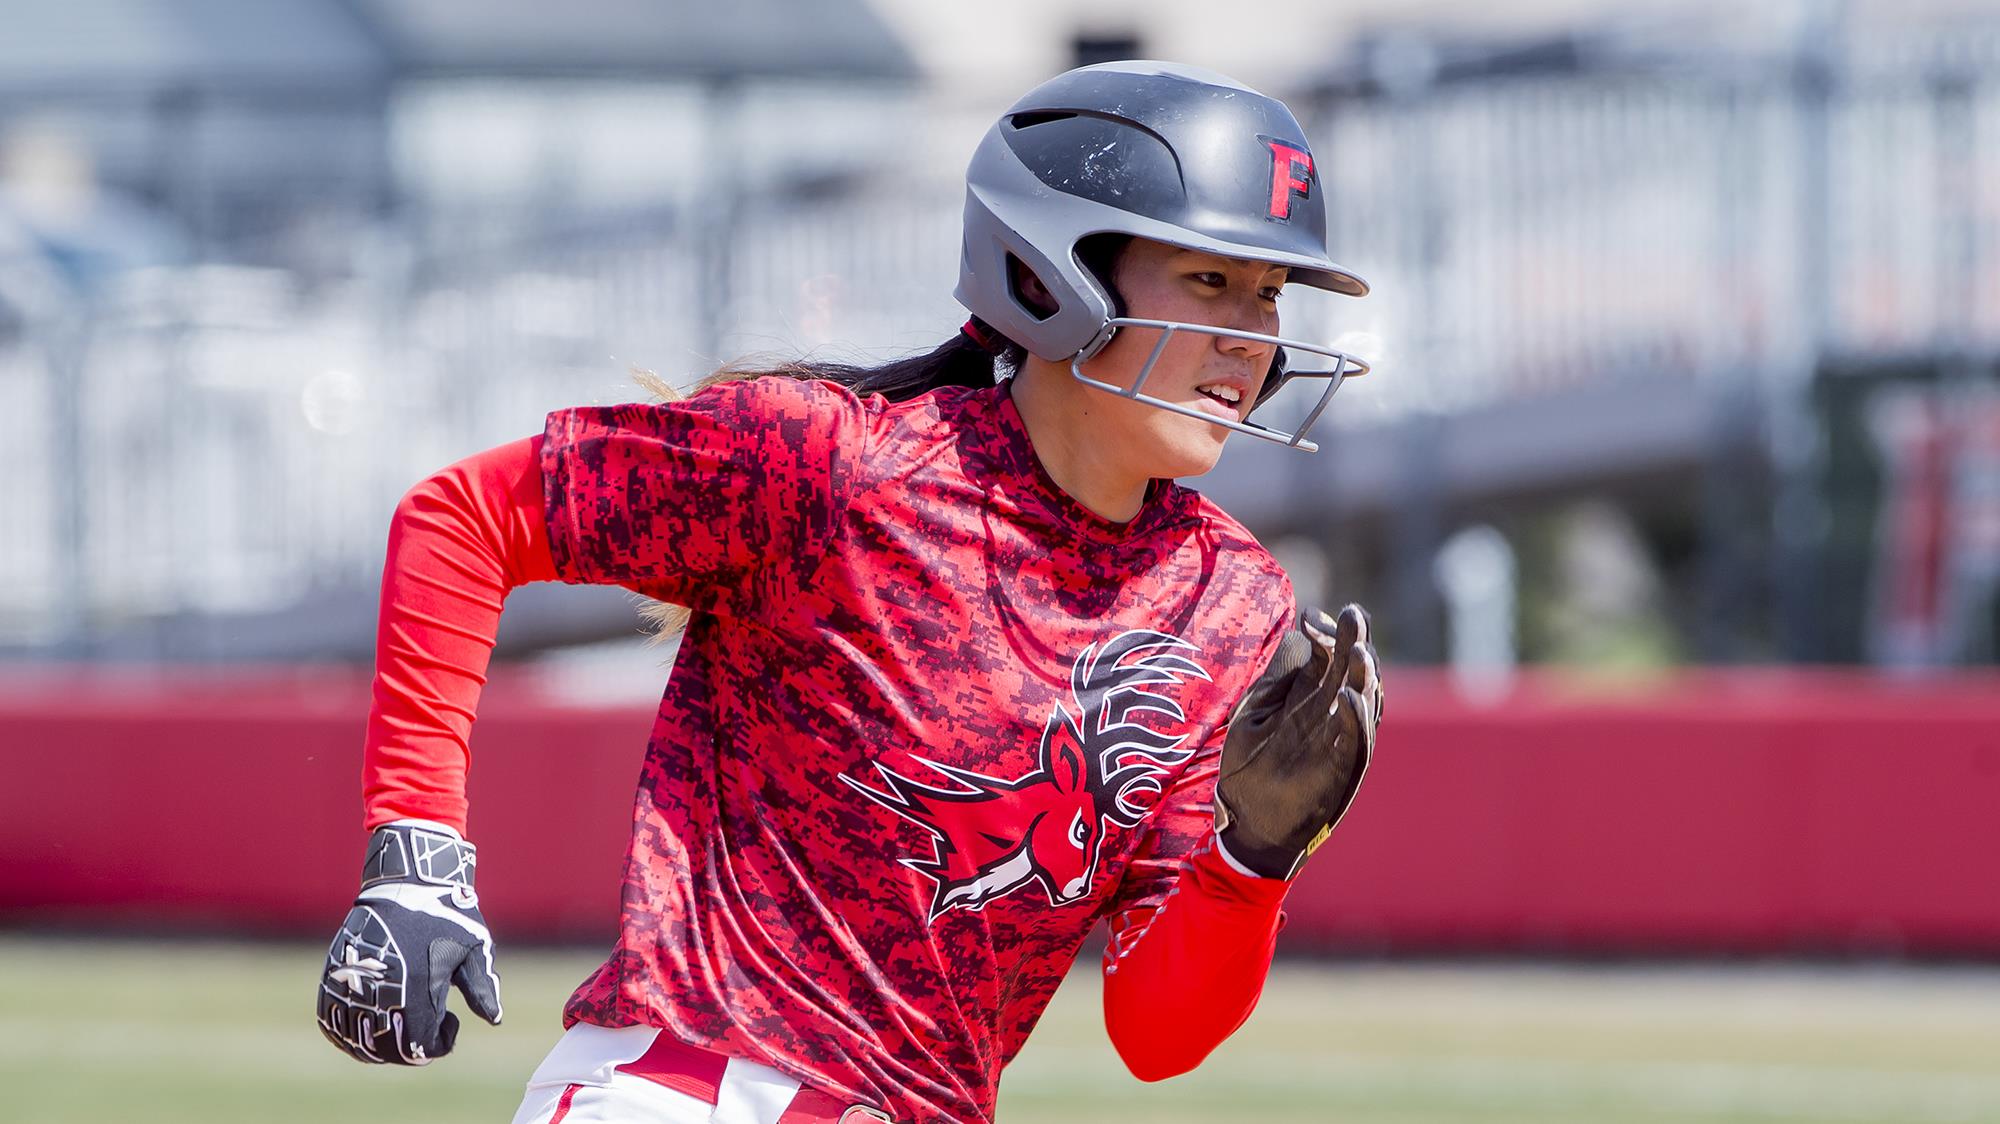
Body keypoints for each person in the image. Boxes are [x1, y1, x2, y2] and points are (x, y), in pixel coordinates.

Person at [315, 60, 1384, 1124]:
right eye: (1208, 282)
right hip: (686, 1095)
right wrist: (413, 854)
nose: (1251, 338)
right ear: (1053, 273)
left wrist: (1252, 857)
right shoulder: (838, 463)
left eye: (1267, 295)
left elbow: (1155, 1036)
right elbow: (462, 519)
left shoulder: (1232, 604)